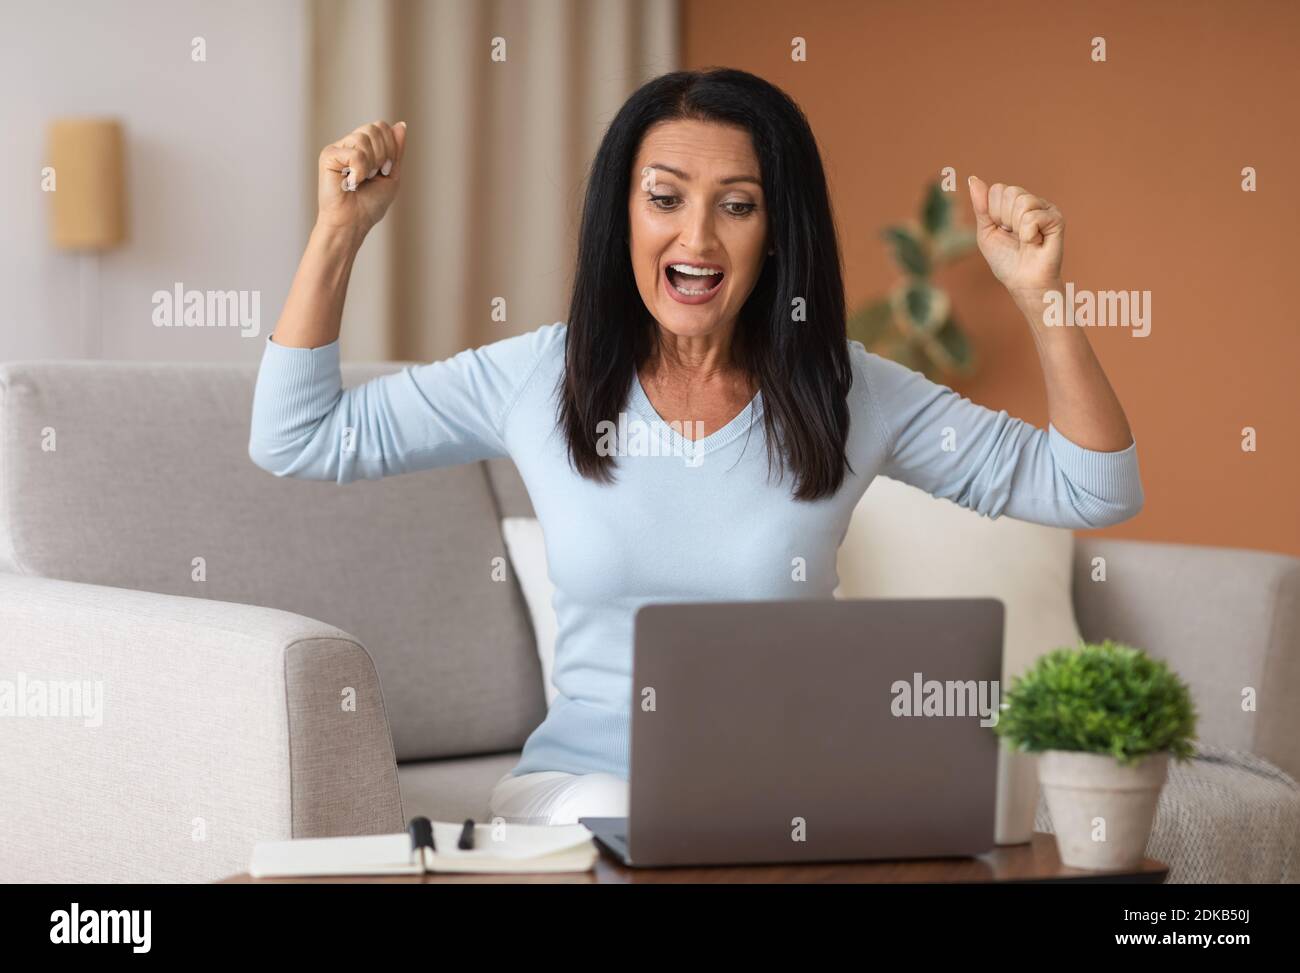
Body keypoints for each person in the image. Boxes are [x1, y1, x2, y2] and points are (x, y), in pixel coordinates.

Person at [249, 68, 1143, 826]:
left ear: (776, 231)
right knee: (617, 809)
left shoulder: (845, 388)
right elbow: (299, 436)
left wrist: (1042, 299)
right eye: (665, 198)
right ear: (624, 214)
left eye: (738, 206)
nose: (698, 238)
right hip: (578, 794)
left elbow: (1093, 488)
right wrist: (339, 231)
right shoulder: (538, 376)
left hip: (784, 801)